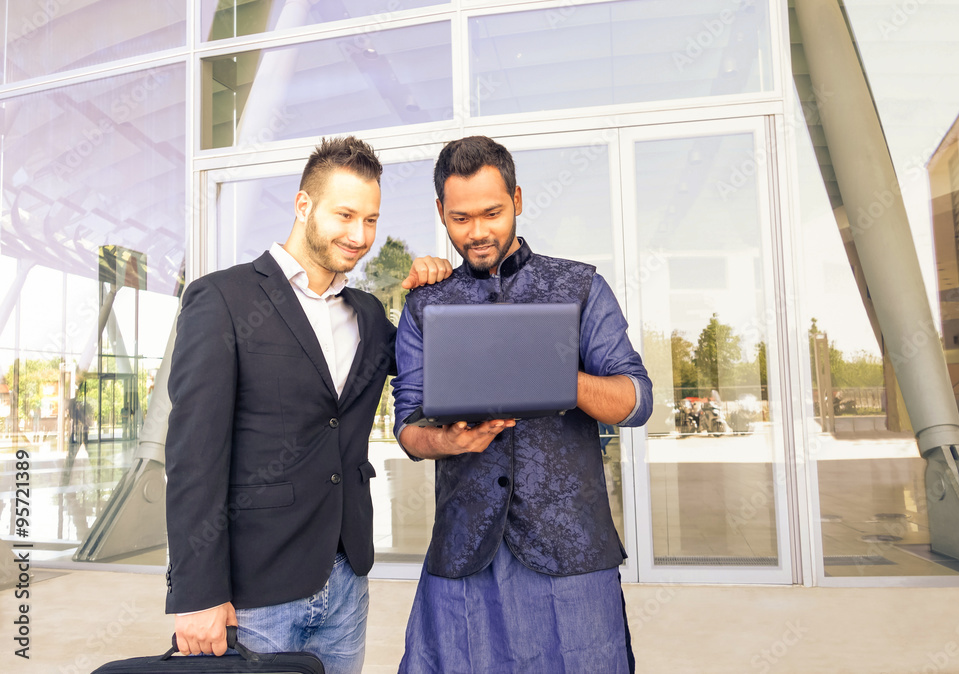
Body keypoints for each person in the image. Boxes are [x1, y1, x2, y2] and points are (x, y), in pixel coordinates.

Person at [163, 136, 452, 674]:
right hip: (254, 595)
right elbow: (193, 459)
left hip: (346, 583)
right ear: (304, 206)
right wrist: (196, 592)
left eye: (371, 220)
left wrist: (431, 293)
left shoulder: (368, 315)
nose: (360, 235)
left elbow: (431, 367)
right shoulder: (222, 300)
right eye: (345, 214)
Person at [391, 136, 653, 673]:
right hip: (465, 552)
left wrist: (549, 371)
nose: (479, 231)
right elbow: (408, 424)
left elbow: (637, 399)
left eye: (493, 212)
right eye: (461, 218)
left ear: (518, 199)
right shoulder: (426, 303)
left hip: (572, 547)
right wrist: (449, 441)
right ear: (441, 211)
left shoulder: (579, 287)